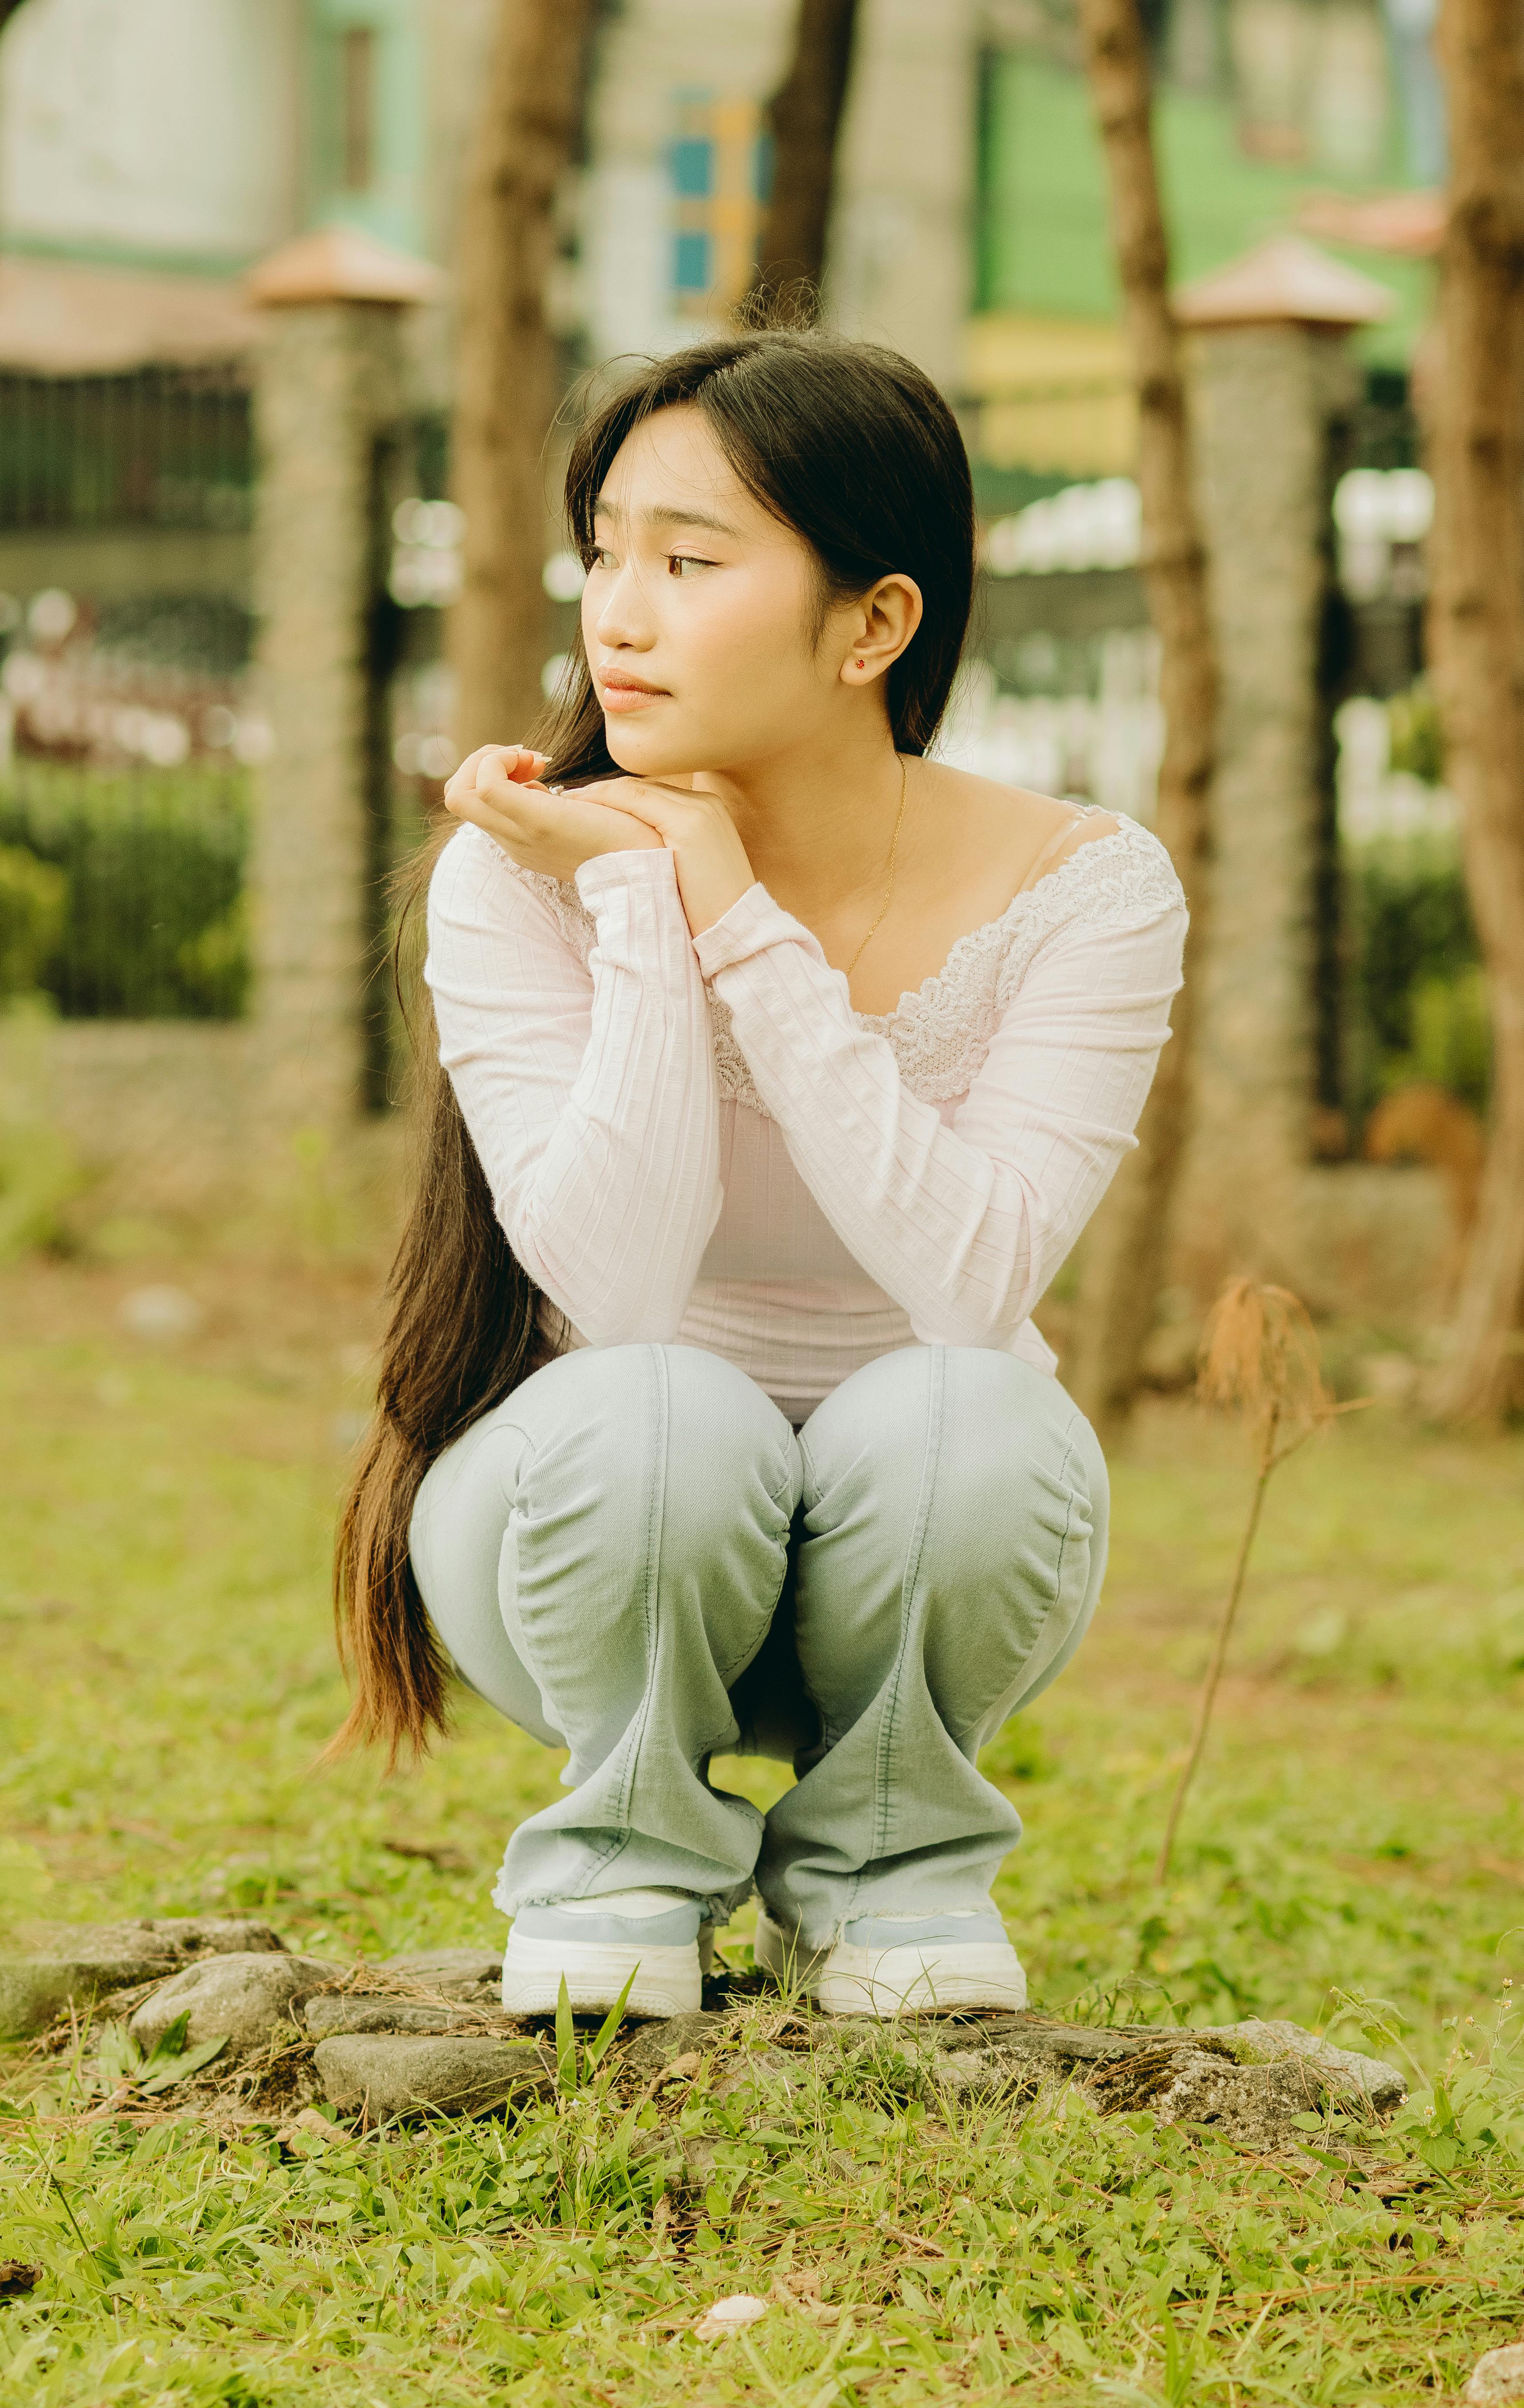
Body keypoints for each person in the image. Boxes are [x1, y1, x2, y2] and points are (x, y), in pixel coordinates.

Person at [334, 330, 1187, 2023]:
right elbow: (626, 1294)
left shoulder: (1089, 890)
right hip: (587, 1537)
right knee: (664, 1404)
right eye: (606, 552)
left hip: (935, 1556)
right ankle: (618, 1862)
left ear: (874, 621)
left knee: (972, 1405)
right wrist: (641, 905)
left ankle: (891, 1869)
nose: (618, 613)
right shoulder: (525, 872)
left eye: (688, 560)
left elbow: (971, 1284)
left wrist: (728, 901)